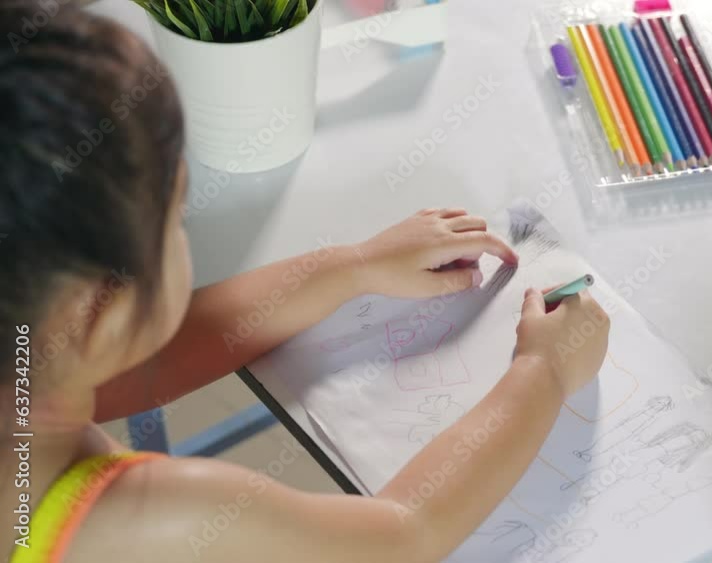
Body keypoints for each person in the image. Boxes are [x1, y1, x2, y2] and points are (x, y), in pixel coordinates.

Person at [0, 4, 610, 562]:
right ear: (103, 320)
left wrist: (354, 265)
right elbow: (405, 534)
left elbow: (137, 366)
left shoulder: (26, 369)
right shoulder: (149, 517)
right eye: (177, 216)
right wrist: (544, 371)